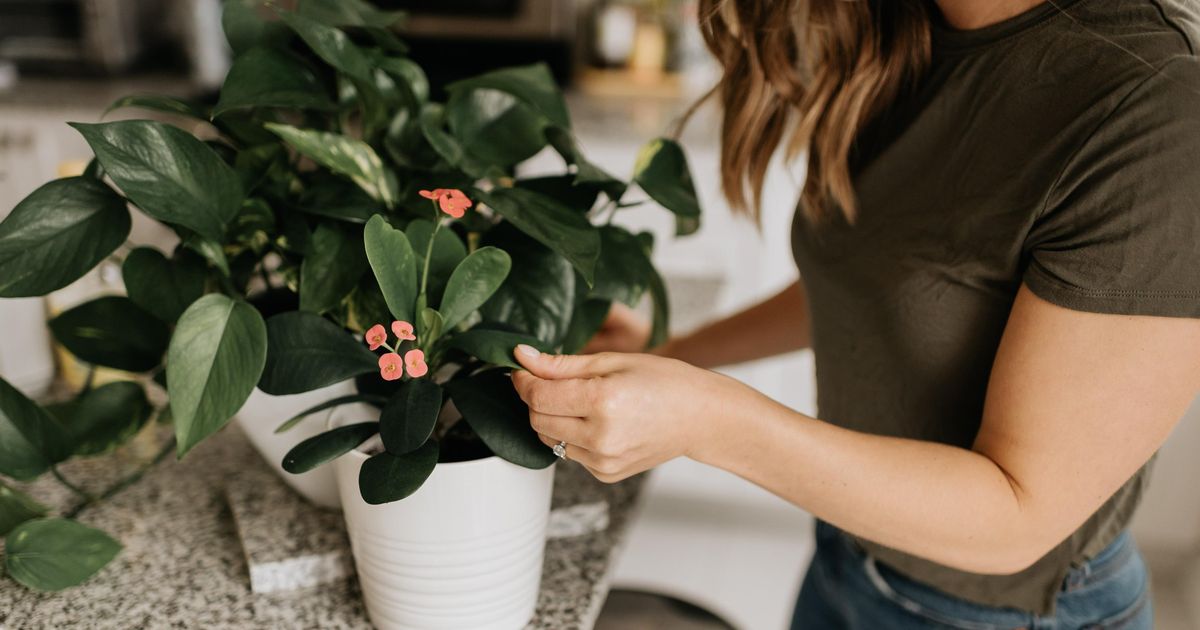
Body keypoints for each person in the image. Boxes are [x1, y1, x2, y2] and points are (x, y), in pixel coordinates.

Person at [511, 0, 1200, 628]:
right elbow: (878, 285)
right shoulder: (903, 30)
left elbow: (1018, 516)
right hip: (847, 558)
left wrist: (705, 419)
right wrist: (677, 353)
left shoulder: (1158, 106)